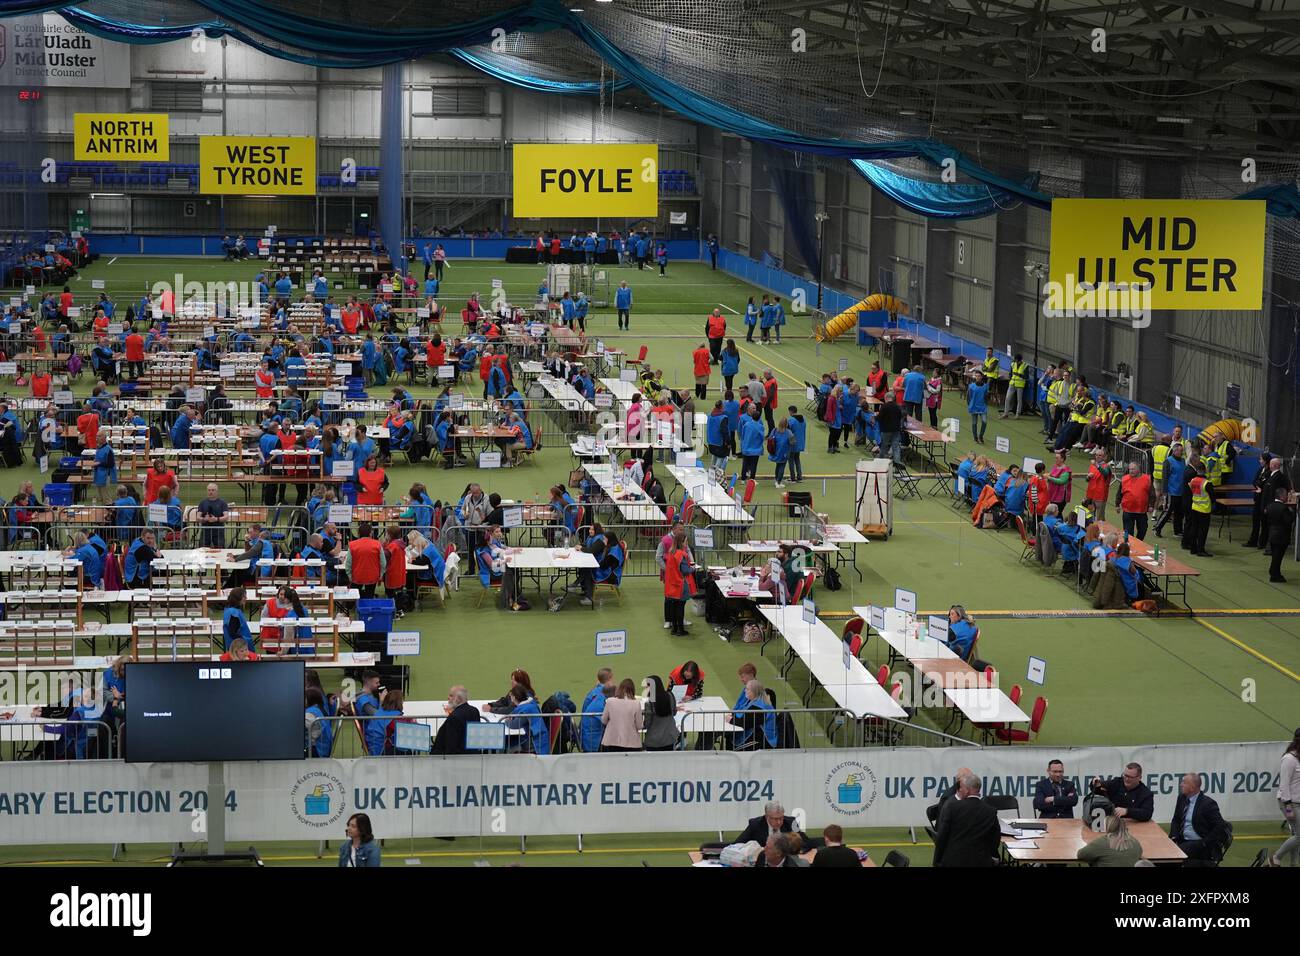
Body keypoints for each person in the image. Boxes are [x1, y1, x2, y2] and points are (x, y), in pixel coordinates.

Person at [933, 772, 1001, 867]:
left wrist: (937, 861)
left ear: (967, 790)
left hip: (953, 861)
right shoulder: (991, 811)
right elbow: (995, 840)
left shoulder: (952, 808)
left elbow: (942, 837)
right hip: (981, 862)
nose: (959, 790)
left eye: (961, 787)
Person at [1169, 772, 1231, 863]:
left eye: (1184, 782)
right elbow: (1176, 819)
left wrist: (1204, 842)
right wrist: (1174, 836)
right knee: (1164, 849)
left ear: (1192, 787)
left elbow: (1220, 826)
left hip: (1200, 843)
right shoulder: (1181, 798)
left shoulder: (1208, 804)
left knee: (1171, 855)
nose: (1181, 784)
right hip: (1182, 840)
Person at [662, 530, 697, 636]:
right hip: (680, 585)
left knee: (673, 607)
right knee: (680, 607)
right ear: (681, 542)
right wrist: (693, 568)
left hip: (671, 585)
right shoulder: (681, 554)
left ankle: (674, 629)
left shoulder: (671, 552)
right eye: (686, 542)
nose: (687, 544)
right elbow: (686, 571)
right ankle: (680, 630)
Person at [1077, 814, 1144, 867]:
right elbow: (1140, 854)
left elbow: (1081, 854)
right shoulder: (1135, 843)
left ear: (1107, 827)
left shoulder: (1102, 842)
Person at [430, 685, 481, 756]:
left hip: (454, 759)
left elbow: (451, 745)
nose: (448, 698)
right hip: (471, 755)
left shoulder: (454, 717)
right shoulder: (474, 711)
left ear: (459, 699)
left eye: (451, 696)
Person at [599, 678, 644, 752]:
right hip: (631, 743)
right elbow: (639, 725)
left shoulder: (610, 701)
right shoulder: (636, 704)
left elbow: (603, 720)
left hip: (611, 741)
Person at [735, 801, 803, 846]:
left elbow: (805, 841)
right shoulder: (755, 824)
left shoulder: (791, 822)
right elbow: (737, 844)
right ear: (766, 816)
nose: (779, 822)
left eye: (781, 818)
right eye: (775, 819)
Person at [580, 668, 615, 753]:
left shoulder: (593, 692)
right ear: (610, 679)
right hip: (595, 739)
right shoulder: (604, 694)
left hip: (587, 736)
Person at [1116, 459, 1153, 540]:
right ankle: (1128, 546)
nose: (1131, 471)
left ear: (1138, 469)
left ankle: (1138, 542)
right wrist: (1117, 504)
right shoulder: (1124, 479)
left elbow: (1151, 493)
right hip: (1128, 510)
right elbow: (1119, 493)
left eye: (1133, 469)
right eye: (1130, 469)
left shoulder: (1147, 479)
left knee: (1143, 530)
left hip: (1141, 511)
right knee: (1128, 532)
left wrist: (1151, 505)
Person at [642, 675, 679, 751]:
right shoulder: (671, 696)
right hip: (670, 737)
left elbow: (647, 724)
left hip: (653, 740)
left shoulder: (649, 704)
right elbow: (674, 712)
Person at [348, 521, 385, 598]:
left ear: (358, 533)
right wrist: (381, 575)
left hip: (357, 576)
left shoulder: (352, 545)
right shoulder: (378, 544)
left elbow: (348, 563)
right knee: (370, 595)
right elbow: (383, 562)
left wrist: (350, 576)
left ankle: (349, 607)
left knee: (353, 596)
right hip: (373, 576)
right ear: (370, 533)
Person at [1266, 486, 1295, 583]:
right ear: (1282, 496)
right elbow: (1288, 521)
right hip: (1281, 536)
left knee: (1275, 556)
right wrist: (1293, 513)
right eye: (1286, 495)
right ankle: (1274, 575)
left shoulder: (1269, 506)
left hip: (1272, 534)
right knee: (1278, 557)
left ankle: (1275, 573)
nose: (1287, 497)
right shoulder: (1284, 508)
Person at [876, 393, 904, 464]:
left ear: (886, 398)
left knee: (884, 446)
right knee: (896, 447)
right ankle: (897, 462)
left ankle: (881, 461)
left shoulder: (884, 406)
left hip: (886, 430)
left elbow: (879, 418)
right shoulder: (898, 406)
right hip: (896, 430)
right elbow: (901, 417)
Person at [967, 371, 990, 444]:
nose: (977, 377)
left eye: (979, 376)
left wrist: (986, 403)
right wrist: (970, 405)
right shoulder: (971, 386)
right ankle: (975, 437)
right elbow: (969, 397)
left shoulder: (985, 386)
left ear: (981, 377)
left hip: (982, 407)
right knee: (974, 423)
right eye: (976, 376)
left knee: (984, 422)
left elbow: (986, 396)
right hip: (973, 407)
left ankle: (981, 436)